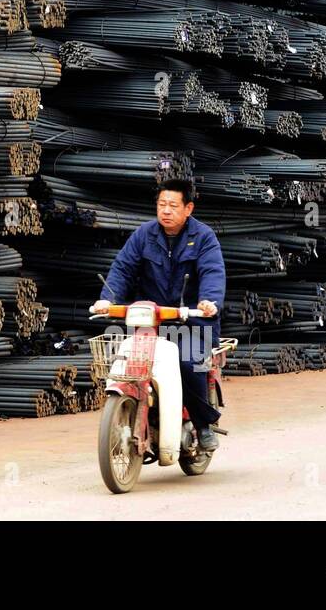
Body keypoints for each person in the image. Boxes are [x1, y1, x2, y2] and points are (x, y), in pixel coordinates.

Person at [91, 178, 226, 451]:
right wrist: (107, 300)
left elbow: (213, 272)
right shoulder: (143, 235)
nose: (166, 210)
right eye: (162, 204)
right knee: (128, 362)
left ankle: (203, 424)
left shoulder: (203, 237)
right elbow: (122, 269)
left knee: (188, 364)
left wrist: (209, 302)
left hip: (192, 322)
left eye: (173, 205)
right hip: (151, 322)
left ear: (188, 208)